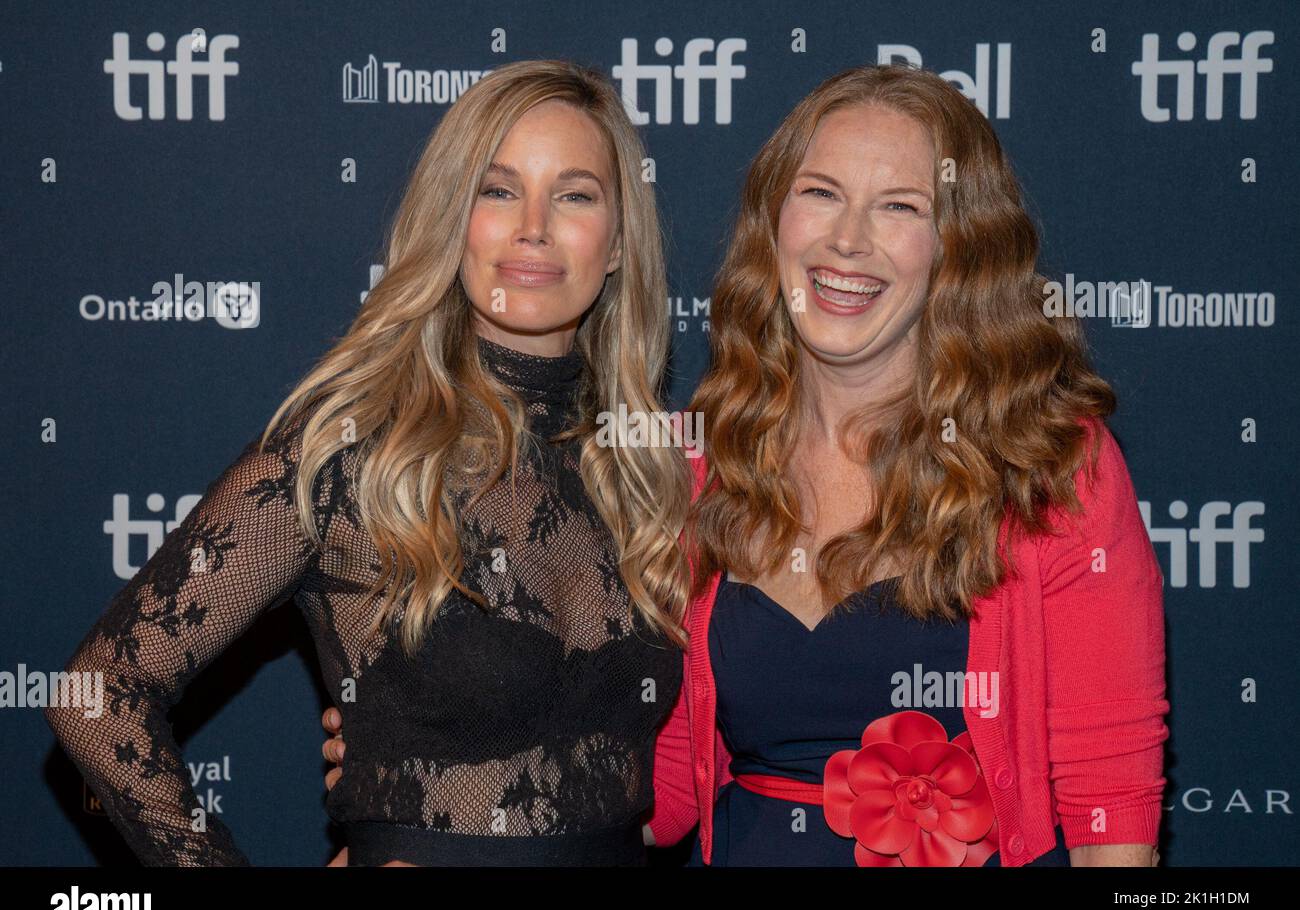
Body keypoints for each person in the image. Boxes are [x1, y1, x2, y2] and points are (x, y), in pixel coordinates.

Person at [324, 64, 1170, 867]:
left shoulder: (1050, 465)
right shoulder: (699, 465)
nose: (847, 241)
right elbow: (644, 797)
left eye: (900, 208)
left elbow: (1112, 803)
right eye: (821, 195)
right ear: (774, 223)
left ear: (963, 246)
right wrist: (431, 765)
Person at [44, 59, 693, 867]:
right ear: (452, 219)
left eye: (574, 194)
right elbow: (98, 693)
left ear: (621, 244)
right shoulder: (352, 447)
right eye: (496, 190)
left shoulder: (643, 467)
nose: (534, 225)